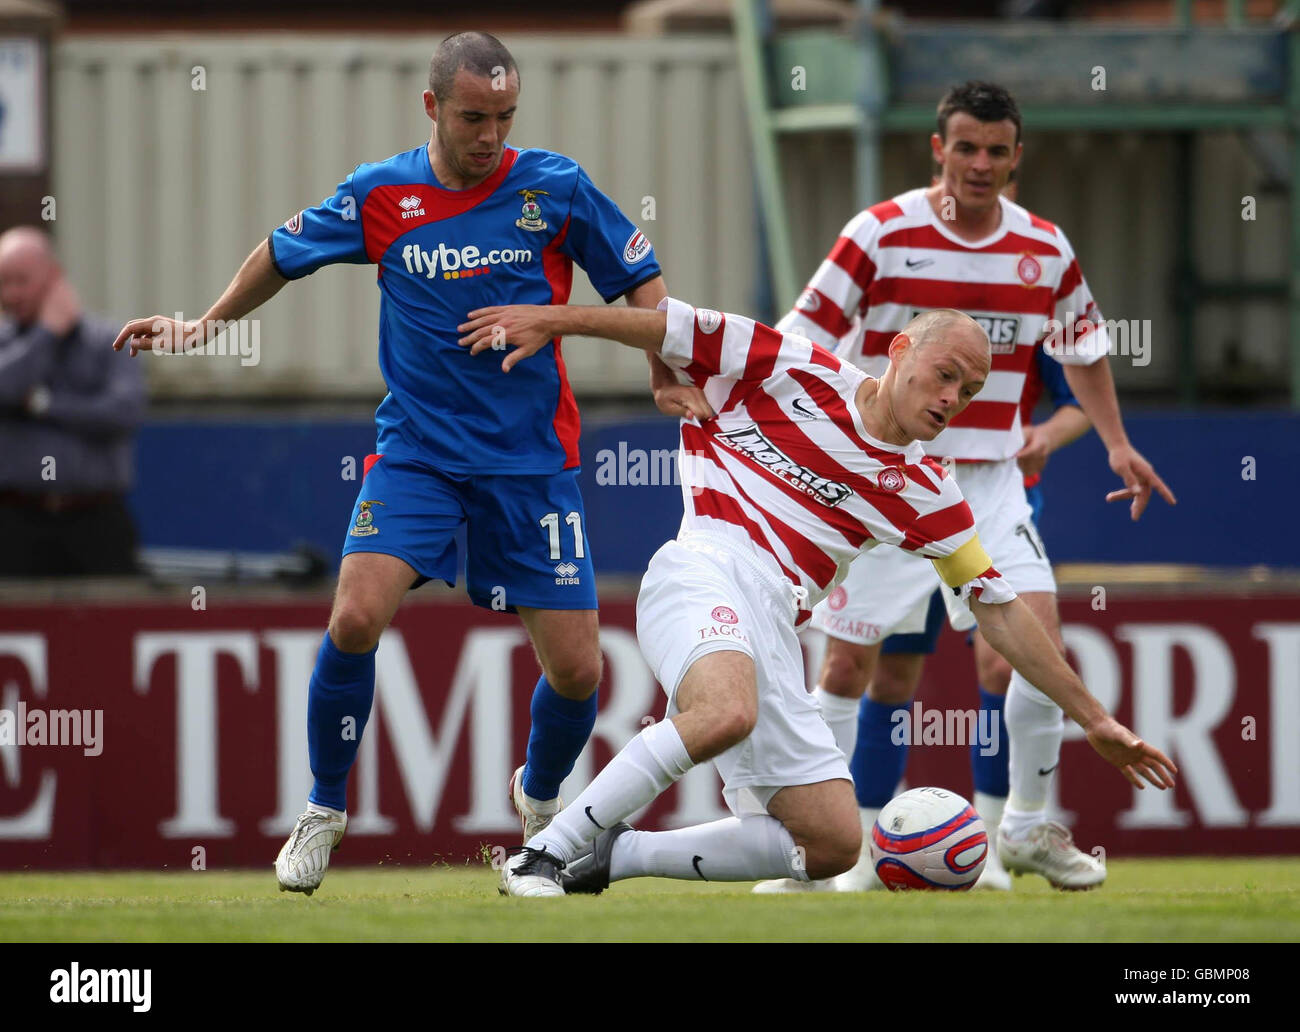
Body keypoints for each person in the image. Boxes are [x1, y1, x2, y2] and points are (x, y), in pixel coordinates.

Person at [113, 31, 707, 896]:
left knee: (580, 673)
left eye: (505, 116)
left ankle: (539, 802)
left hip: (531, 463)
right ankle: (321, 812)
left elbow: (640, 280)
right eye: (474, 117)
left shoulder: (556, 186)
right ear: (432, 106)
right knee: (355, 618)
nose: (491, 134)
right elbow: (281, 254)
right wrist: (203, 325)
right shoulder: (381, 193)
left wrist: (662, 364)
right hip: (418, 456)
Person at [456, 297, 1177, 898]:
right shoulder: (788, 363)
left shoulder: (927, 490)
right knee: (725, 712)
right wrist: (553, 322)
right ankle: (543, 852)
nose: (952, 399)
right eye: (944, 375)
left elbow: (1001, 611)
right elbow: (664, 324)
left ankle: (614, 856)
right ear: (899, 350)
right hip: (700, 566)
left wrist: (1097, 719)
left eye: (968, 391)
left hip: (773, 623)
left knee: (831, 844)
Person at [762, 81, 1175, 893]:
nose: (980, 164)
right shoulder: (878, 234)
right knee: (847, 672)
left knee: (1036, 647)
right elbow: (796, 339)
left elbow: (1084, 350)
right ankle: (811, 853)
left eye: (996, 150)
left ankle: (1021, 828)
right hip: (885, 477)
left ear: (1017, 158)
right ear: (937, 150)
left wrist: (1119, 443)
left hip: (988, 482)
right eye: (966, 147)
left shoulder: (1046, 249)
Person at [0, 226, 145, 576]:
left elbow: (123, 414)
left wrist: (43, 405)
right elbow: (5, 388)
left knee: (110, 623)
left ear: (54, 278)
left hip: (97, 524)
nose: (12, 293)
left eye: (22, 280)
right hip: (15, 525)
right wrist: (46, 335)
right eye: (4, 282)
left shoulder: (110, 341)